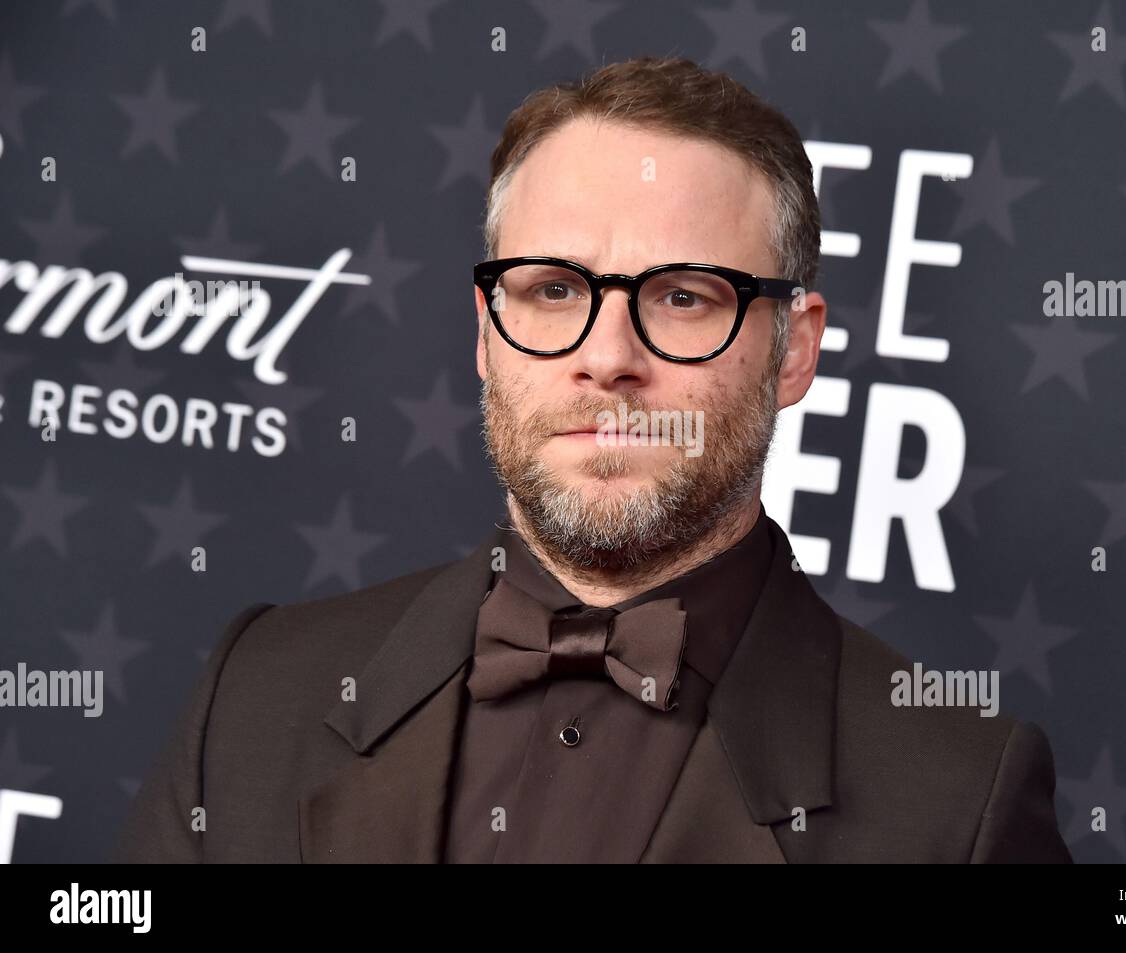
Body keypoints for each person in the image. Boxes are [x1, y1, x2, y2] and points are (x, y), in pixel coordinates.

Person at [114, 55, 1070, 863]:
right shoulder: (257, 691)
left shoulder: (957, 803)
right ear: (487, 333)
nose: (608, 356)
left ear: (797, 349)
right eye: (554, 289)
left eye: (684, 298)